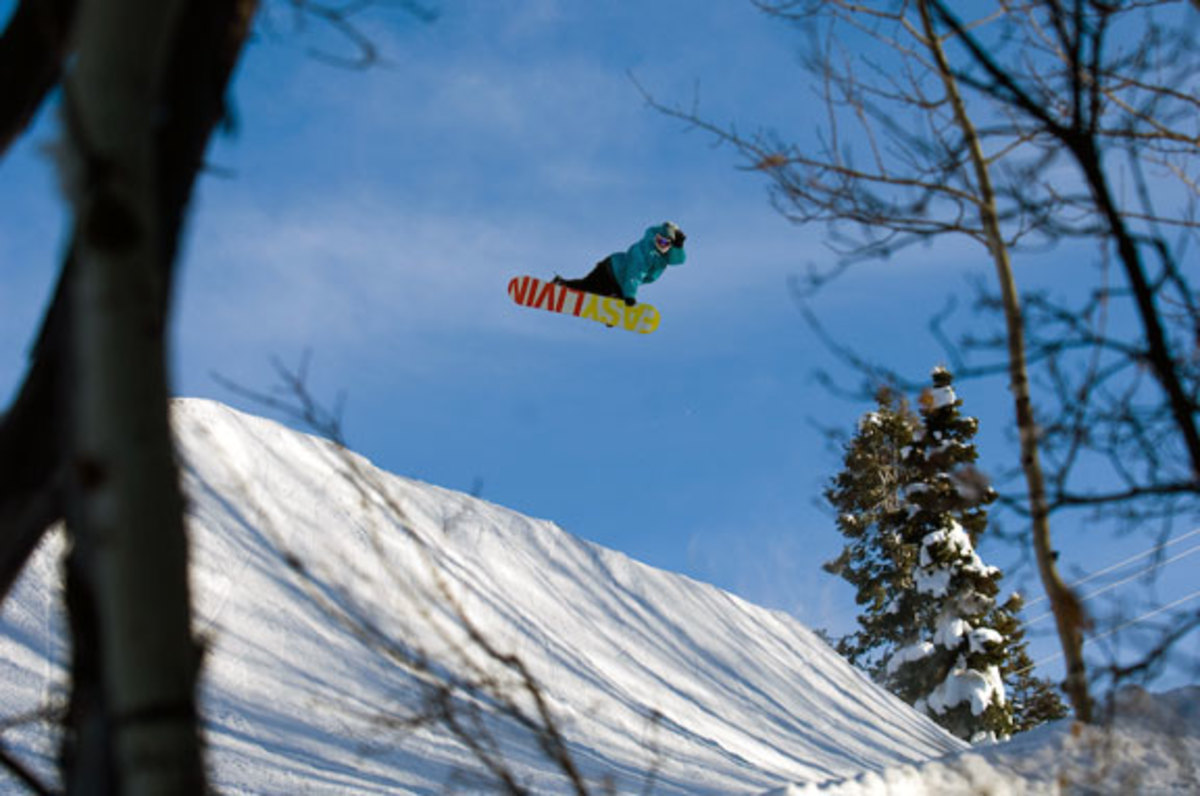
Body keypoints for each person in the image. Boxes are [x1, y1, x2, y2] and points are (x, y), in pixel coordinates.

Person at [554, 222, 686, 305]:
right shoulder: (644, 250)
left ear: (670, 245)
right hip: (610, 271)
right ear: (654, 237)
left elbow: (676, 260)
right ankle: (561, 285)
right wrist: (630, 295)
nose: (661, 245)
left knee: (613, 298)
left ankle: (612, 309)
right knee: (590, 288)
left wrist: (679, 246)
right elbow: (635, 273)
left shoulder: (664, 256)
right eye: (659, 240)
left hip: (620, 281)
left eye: (665, 243)